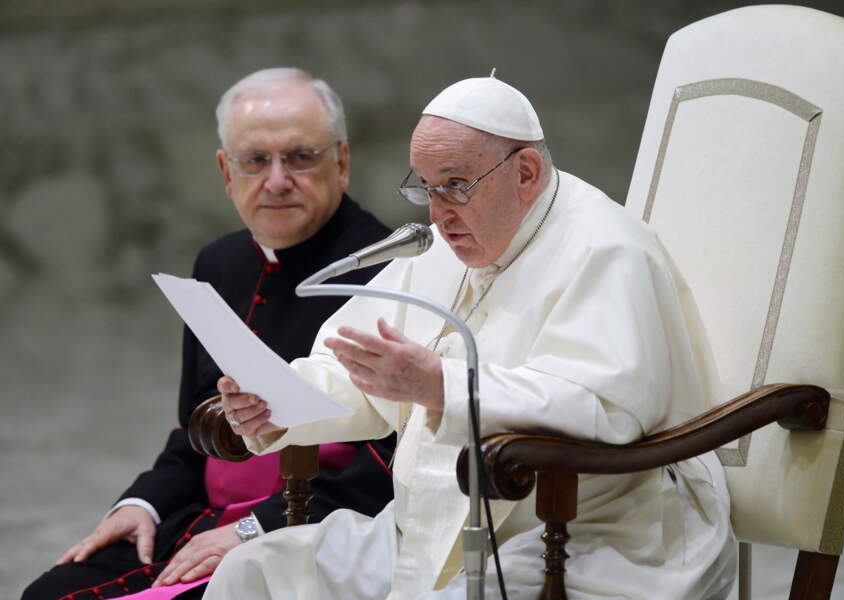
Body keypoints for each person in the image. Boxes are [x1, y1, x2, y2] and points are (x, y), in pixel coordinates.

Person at [207, 75, 738, 599]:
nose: (438, 215)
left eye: (457, 186)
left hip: (582, 538)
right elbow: (356, 367)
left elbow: (604, 410)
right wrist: (275, 402)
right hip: (436, 527)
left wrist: (442, 386)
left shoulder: (609, 252)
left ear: (526, 172)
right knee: (252, 572)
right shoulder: (443, 244)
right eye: (426, 188)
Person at [22, 68, 396, 600]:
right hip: (200, 519)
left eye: (301, 157)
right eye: (254, 160)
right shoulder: (219, 263)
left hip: (315, 529)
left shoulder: (389, 273)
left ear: (342, 163)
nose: (276, 180)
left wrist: (255, 528)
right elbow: (196, 426)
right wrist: (142, 503)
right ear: (225, 170)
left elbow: (396, 457)